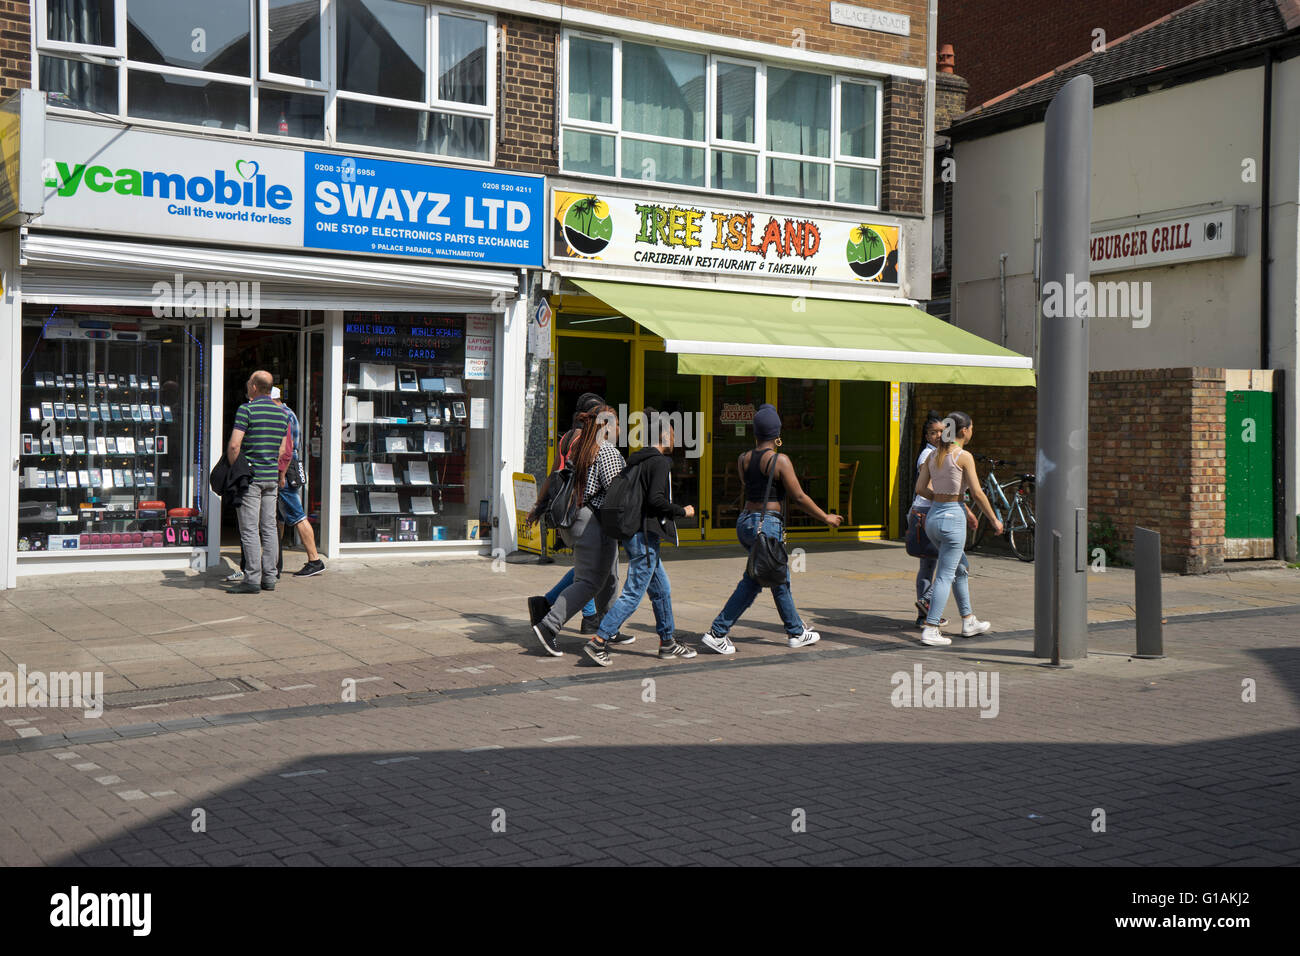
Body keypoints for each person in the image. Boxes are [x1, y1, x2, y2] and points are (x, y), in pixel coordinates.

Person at [701, 404, 842, 655]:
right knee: (756, 580)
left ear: (755, 433)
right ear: (776, 434)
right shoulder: (780, 461)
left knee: (776, 578)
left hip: (746, 522)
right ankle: (717, 632)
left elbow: (749, 487)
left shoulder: (743, 459)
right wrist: (825, 517)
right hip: (766, 524)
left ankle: (796, 631)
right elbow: (798, 496)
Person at [583, 409, 698, 666]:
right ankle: (599, 641)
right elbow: (656, 501)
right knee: (634, 593)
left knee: (662, 589)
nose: (675, 436)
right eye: (672, 431)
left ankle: (667, 642)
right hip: (645, 536)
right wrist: (683, 511)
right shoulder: (658, 462)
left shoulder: (637, 460)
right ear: (663, 434)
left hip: (636, 534)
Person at [530, 406, 624, 656]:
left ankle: (607, 629)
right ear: (607, 426)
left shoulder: (582, 448)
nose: (621, 430)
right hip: (595, 524)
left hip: (576, 519)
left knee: (603, 579)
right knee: (589, 582)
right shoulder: (607, 452)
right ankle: (549, 626)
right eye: (618, 425)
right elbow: (617, 493)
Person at [913, 411, 1002, 646]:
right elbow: (977, 493)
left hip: (933, 518)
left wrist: (940, 499)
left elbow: (920, 488)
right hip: (953, 519)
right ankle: (931, 628)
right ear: (964, 431)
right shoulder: (963, 456)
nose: (972, 431)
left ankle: (968, 620)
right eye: (971, 428)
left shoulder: (933, 455)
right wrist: (994, 520)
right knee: (944, 575)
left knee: (960, 568)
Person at [525, 392, 602, 633]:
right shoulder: (587, 442)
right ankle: (586, 618)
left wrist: (539, 506)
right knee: (588, 569)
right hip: (581, 513)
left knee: (584, 567)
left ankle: (545, 602)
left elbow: (553, 474)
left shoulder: (566, 438)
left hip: (566, 511)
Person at [908, 410, 976, 628]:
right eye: (933, 432)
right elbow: (926, 488)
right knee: (936, 568)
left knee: (956, 567)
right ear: (926, 436)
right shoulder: (932, 455)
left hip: (935, 513)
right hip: (933, 513)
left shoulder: (940, 453)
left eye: (941, 431)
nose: (938, 435)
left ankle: (967, 619)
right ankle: (927, 618)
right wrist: (946, 500)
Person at [226, 370, 291, 595]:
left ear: (254, 386)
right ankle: (270, 577)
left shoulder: (247, 410)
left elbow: (235, 446)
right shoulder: (283, 414)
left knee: (250, 529)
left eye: (248, 381)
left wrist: (239, 469)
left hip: (252, 479)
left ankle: (252, 579)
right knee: (270, 528)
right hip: (271, 478)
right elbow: (283, 450)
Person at [271, 386, 326, 577]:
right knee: (278, 518)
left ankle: (314, 560)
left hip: (285, 467)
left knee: (296, 514)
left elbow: (285, 449)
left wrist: (281, 475)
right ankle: (274, 561)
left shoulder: (280, 414)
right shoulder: (290, 412)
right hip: (290, 464)